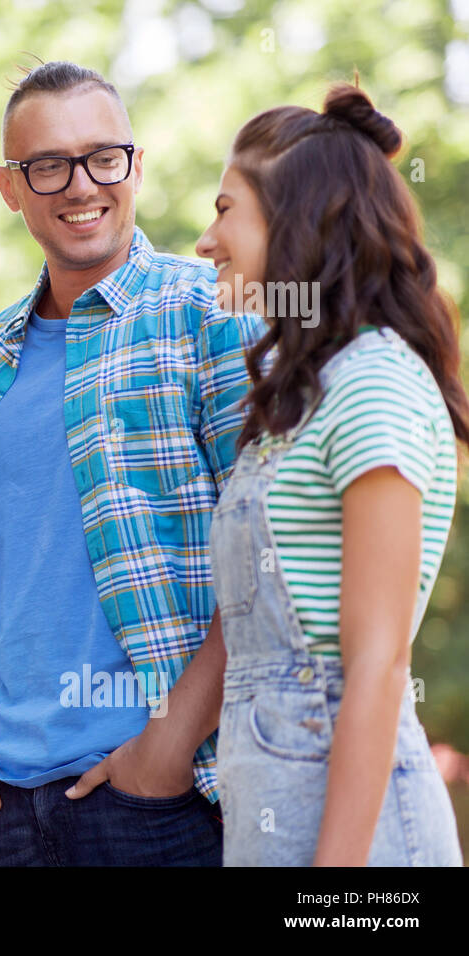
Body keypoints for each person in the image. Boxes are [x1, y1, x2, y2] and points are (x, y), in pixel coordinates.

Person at [0, 60, 266, 866]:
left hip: (158, 795)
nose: (81, 185)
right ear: (11, 187)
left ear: (137, 165)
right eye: (48, 166)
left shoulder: (211, 312)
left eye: (103, 157)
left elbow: (268, 552)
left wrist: (168, 746)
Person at [196, 84, 466, 866]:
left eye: (225, 209)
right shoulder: (303, 395)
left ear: (296, 221)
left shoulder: (374, 382)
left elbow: (377, 667)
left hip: (362, 847)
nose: (208, 239)